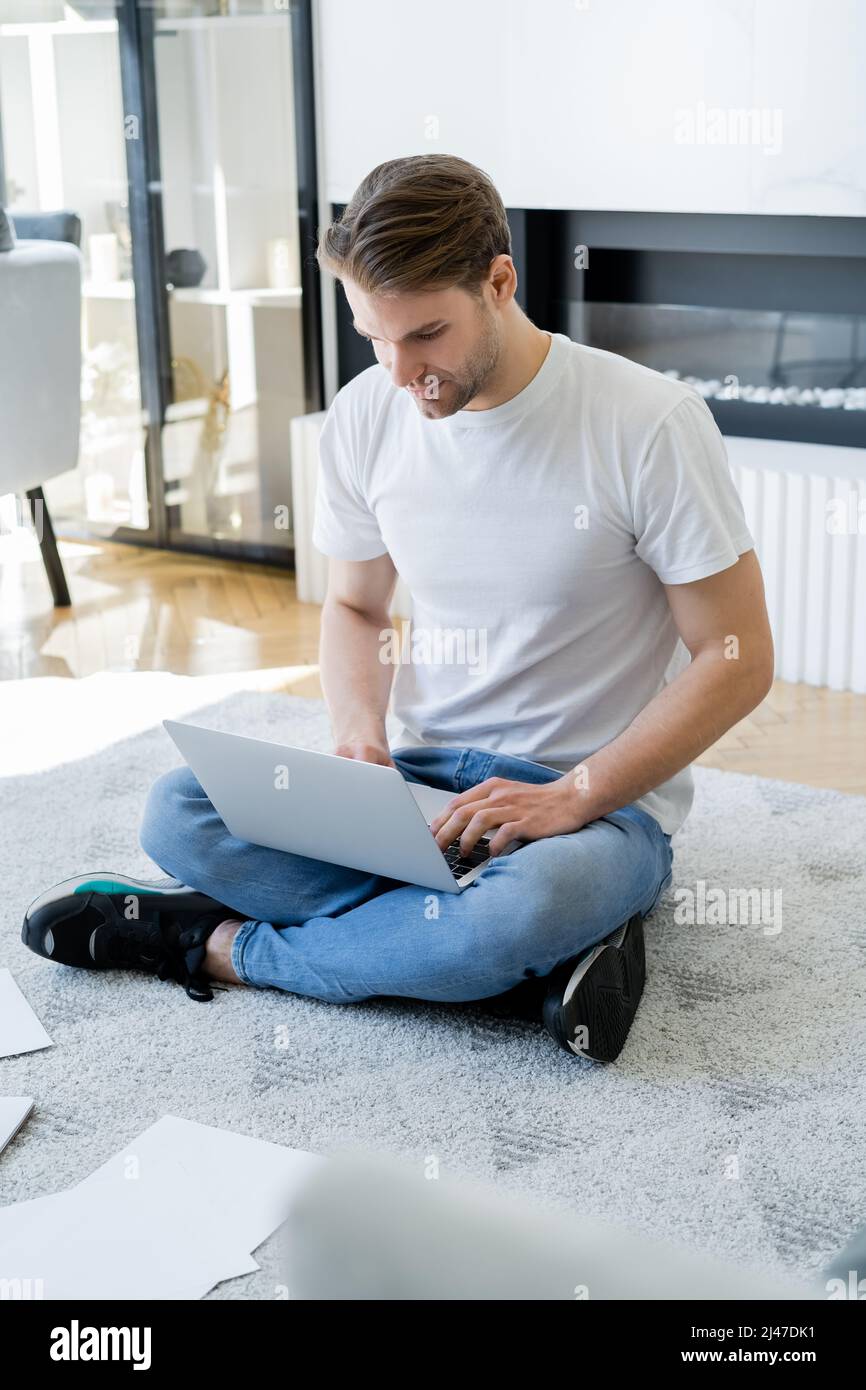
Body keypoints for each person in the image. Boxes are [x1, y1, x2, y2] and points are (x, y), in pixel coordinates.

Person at [22, 154, 774, 1061]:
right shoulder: (366, 413)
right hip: (418, 792)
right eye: (373, 337)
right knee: (179, 811)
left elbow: (736, 655)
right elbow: (354, 606)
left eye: (426, 334)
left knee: (528, 905)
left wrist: (574, 796)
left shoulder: (648, 424)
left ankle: (221, 945)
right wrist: (358, 745)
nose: (400, 371)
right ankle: (507, 963)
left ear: (501, 281)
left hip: (590, 807)